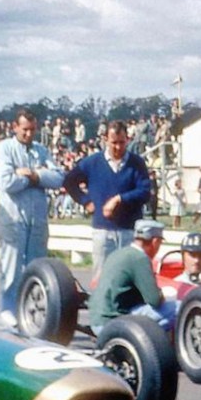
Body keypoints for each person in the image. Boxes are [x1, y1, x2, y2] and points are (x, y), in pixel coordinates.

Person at [0, 108, 65, 320]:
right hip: (13, 217)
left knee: (38, 268)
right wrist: (35, 179)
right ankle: (9, 311)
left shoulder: (41, 150)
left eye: (32, 129)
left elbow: (58, 178)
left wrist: (33, 175)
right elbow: (6, 182)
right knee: (12, 269)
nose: (29, 134)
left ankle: (33, 312)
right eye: (24, 129)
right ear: (15, 127)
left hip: (37, 219)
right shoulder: (4, 149)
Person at [62, 120, 150, 284]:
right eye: (114, 143)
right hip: (103, 231)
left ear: (128, 140)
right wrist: (85, 201)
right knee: (101, 279)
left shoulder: (136, 163)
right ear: (105, 140)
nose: (118, 147)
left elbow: (145, 192)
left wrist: (119, 199)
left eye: (122, 142)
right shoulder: (92, 162)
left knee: (129, 279)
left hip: (129, 230)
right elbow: (69, 182)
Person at [87, 219, 176, 332]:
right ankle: (153, 340)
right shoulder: (139, 258)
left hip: (97, 319)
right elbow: (154, 300)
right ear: (155, 241)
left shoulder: (118, 253)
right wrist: (164, 295)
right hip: (114, 321)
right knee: (178, 308)